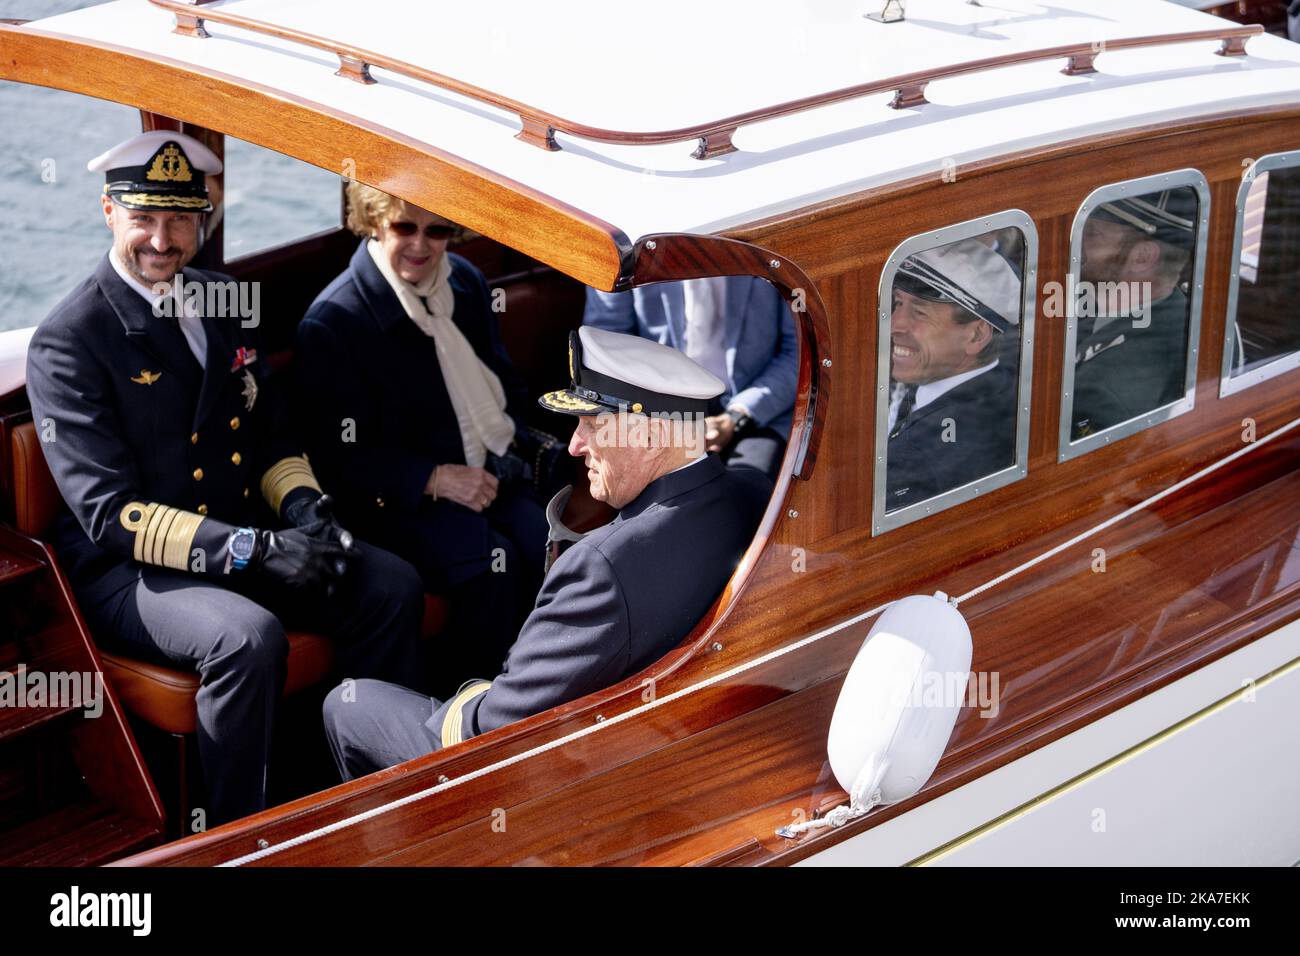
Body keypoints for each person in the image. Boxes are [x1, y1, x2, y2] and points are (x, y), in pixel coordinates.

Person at [24, 132, 426, 824]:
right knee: (245, 637)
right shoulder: (69, 340)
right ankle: (241, 830)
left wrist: (307, 511)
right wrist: (260, 551)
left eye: (180, 219)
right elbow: (110, 514)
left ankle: (367, 793)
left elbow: (268, 435)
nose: (162, 238)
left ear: (201, 221)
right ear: (108, 212)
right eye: (144, 217)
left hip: (242, 533)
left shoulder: (223, 296)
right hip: (132, 573)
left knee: (387, 584)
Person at [321, 327, 772, 779]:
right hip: (697, 736)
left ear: (653, 438)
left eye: (593, 425)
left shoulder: (601, 569)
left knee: (348, 703)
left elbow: (495, 730)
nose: (576, 445)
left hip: (588, 776)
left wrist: (466, 700)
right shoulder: (755, 496)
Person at [294, 183, 549, 694]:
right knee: (489, 567)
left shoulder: (467, 284)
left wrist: (525, 446)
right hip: (395, 503)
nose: (421, 245)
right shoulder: (334, 321)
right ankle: (477, 710)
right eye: (403, 227)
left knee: (547, 540)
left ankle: (552, 690)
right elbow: (336, 459)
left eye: (437, 231)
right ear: (373, 222)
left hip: (487, 468)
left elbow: (506, 385)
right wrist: (432, 479)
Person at [584, 276, 797, 480]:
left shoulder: (769, 250)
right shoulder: (625, 253)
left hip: (759, 407)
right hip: (657, 408)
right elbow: (606, 346)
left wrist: (737, 415)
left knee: (751, 488)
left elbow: (798, 351)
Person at [885, 237, 1023, 510]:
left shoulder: (915, 460)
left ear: (976, 335)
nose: (894, 325)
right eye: (898, 303)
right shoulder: (1004, 386)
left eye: (920, 313)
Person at [1070, 189, 1197, 439]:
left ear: (1141, 258)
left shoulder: (1102, 392)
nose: (1075, 240)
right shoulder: (1180, 310)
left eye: (1092, 234)